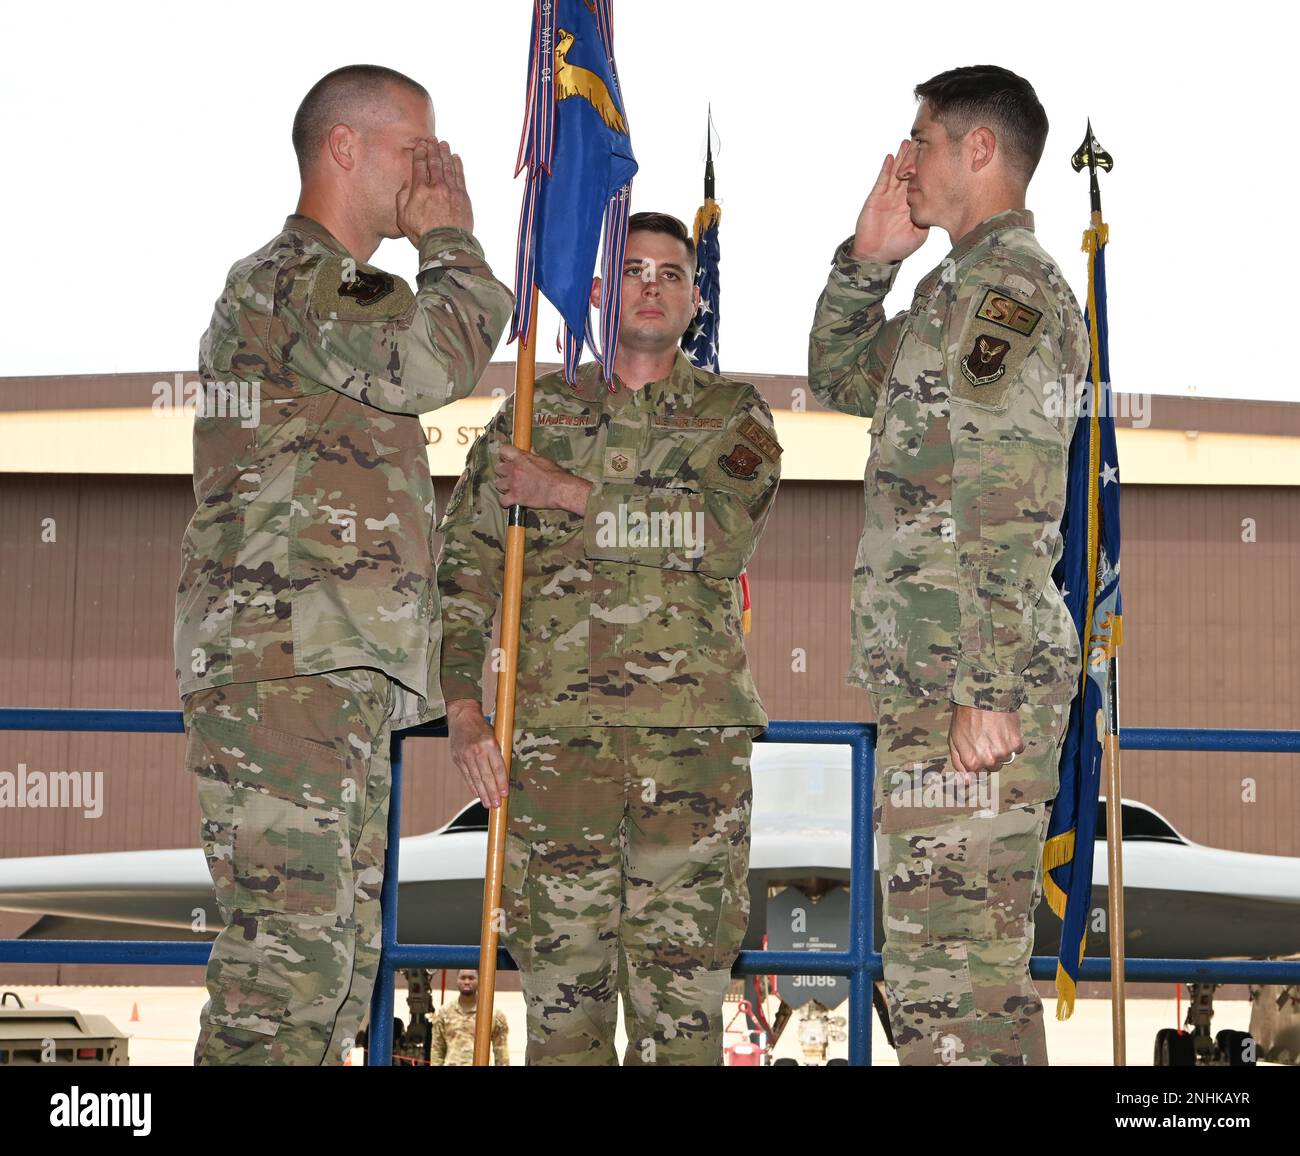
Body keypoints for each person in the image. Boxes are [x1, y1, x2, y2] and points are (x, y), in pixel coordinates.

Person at [175, 63, 513, 1066]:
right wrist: (451, 232)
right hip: (286, 667)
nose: (434, 171)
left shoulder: (344, 292)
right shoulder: (298, 277)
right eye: (417, 150)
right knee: (285, 972)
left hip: (331, 670)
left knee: (332, 969)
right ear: (344, 148)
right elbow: (439, 357)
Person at [437, 211, 781, 1065]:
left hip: (691, 756)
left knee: (682, 1017)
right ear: (598, 292)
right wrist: (460, 705)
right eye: (633, 269)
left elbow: (718, 536)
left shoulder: (731, 415)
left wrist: (566, 494)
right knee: (562, 1013)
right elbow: (467, 568)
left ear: (695, 298)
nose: (652, 285)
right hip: (555, 755)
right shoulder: (532, 410)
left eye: (671, 272)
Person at [807, 65, 1088, 1065]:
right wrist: (865, 260)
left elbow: (1008, 496)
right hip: (937, 680)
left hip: (968, 686)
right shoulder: (950, 288)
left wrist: (989, 688)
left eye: (920, 140)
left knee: (950, 989)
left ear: (978, 150)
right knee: (949, 985)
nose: (904, 162)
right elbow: (839, 376)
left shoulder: (1005, 291)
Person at [428, 970, 510, 1066]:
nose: (466, 982)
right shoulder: (443, 1013)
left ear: (479, 980)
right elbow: (437, 1049)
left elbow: (501, 1052)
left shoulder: (492, 1014)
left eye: (471, 978)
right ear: (457, 980)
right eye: (463, 978)